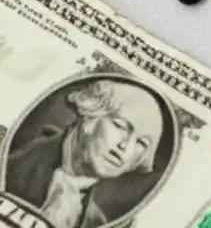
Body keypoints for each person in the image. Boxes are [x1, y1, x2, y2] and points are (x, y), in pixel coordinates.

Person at [4, 79, 165, 228]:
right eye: (120, 126)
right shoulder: (16, 159)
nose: (126, 146)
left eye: (141, 143)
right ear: (89, 116)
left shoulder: (100, 221)